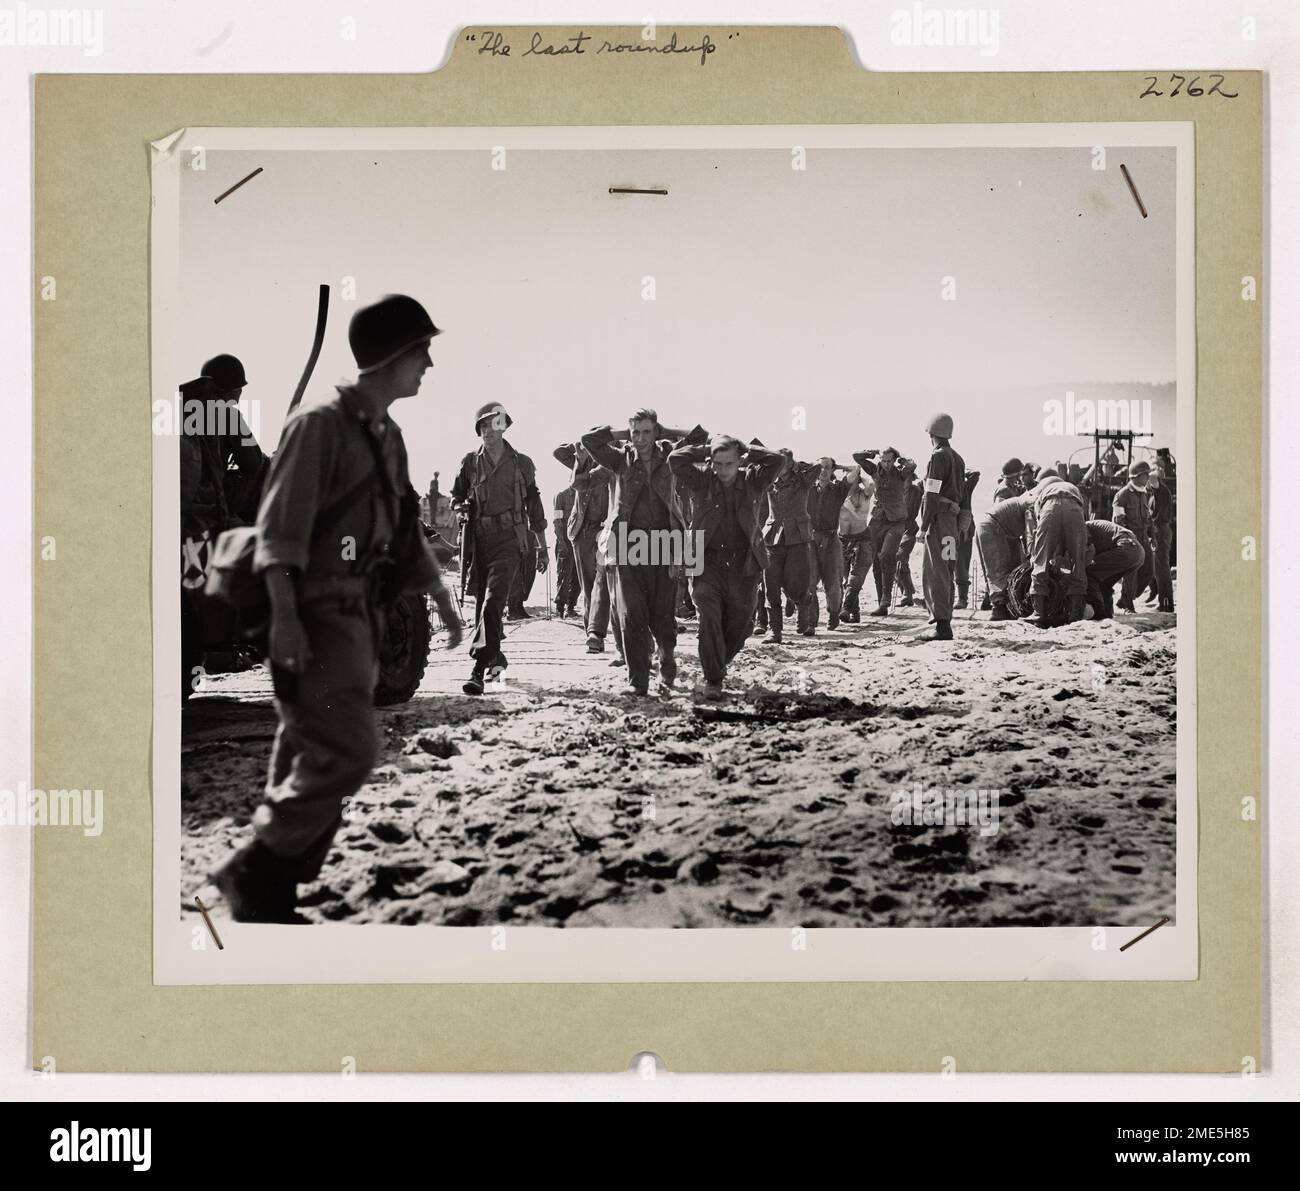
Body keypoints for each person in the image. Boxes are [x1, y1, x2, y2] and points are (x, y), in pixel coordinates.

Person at [212, 294, 460, 922]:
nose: (429, 363)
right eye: (421, 350)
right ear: (393, 357)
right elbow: (279, 530)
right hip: (314, 615)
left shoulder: (386, 434)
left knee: (303, 753)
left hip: (361, 618)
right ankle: (254, 868)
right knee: (349, 753)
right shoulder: (318, 424)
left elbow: (404, 530)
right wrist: (287, 620)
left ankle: (270, 892)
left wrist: (439, 597)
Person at [669, 435, 786, 700]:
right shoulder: (702, 481)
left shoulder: (754, 481)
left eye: (729, 464)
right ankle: (713, 679)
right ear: (711, 462)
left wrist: (747, 448)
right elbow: (675, 459)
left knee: (743, 624)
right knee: (708, 614)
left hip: (744, 565)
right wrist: (707, 447)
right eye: (718, 464)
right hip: (706, 563)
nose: (723, 471)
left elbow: (777, 459)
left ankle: (717, 664)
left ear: (739, 461)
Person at [582, 410, 683, 697]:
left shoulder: (672, 458)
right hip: (625, 544)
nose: (640, 439)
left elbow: (701, 438)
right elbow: (589, 439)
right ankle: (638, 681)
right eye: (635, 433)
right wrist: (621, 434)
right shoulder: (620, 459)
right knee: (631, 613)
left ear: (657, 433)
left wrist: (666, 432)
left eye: (647, 432)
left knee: (663, 615)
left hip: (665, 543)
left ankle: (667, 655)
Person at [452, 401, 548, 695]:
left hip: (510, 539)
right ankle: (496, 657)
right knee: (484, 606)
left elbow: (535, 506)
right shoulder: (470, 462)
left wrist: (542, 547)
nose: (488, 431)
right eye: (483, 426)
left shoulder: (521, 463)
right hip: (480, 543)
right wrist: (461, 509)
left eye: (495, 424)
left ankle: (478, 669)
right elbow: (456, 496)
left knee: (493, 602)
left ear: (504, 427)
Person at [917, 414, 968, 641]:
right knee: (947, 567)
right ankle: (945, 620)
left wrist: (923, 525)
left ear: (932, 434)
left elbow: (931, 493)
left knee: (936, 570)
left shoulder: (937, 457)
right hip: (952, 524)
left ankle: (942, 626)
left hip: (939, 521)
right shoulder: (958, 458)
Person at [760, 449, 816, 641]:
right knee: (771, 585)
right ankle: (775, 630)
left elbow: (817, 467)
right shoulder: (769, 479)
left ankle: (804, 607)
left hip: (797, 538)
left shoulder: (802, 480)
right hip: (773, 537)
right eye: (778, 463)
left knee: (795, 584)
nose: (780, 467)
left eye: (784, 463)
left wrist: (797, 465)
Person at [852, 446, 912, 617]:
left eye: (889, 461)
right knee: (876, 561)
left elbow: (912, 465)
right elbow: (856, 456)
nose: (886, 464)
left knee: (886, 555)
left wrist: (902, 459)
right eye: (883, 461)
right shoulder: (874, 469)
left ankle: (887, 596)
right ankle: (882, 604)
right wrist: (871, 453)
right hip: (878, 520)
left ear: (894, 460)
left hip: (896, 521)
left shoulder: (901, 472)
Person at [1025, 465, 1088, 625]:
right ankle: (1075, 615)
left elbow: (1038, 523)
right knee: (1078, 564)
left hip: (1049, 506)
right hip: (1075, 509)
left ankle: (1039, 614)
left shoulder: (1042, 491)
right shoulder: (1072, 487)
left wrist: (1045, 554)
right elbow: (1083, 518)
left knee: (1041, 561)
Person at [804, 457, 853, 631]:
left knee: (833, 583)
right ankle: (811, 623)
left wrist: (839, 466)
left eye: (827, 468)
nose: (823, 471)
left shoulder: (838, 489)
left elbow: (856, 471)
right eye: (820, 468)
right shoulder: (807, 488)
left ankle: (833, 615)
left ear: (832, 471)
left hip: (831, 540)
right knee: (809, 582)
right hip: (810, 540)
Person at [974, 491, 1035, 621]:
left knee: (1008, 569)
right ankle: (998, 609)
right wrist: (1031, 556)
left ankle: (1006, 606)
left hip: (998, 529)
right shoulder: (1031, 504)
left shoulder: (1025, 501)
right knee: (998, 570)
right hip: (993, 528)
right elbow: (1030, 535)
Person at [1111, 460, 1156, 612]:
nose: (1148, 478)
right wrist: (1127, 540)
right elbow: (1118, 521)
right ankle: (1128, 604)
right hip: (1131, 538)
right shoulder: (1122, 495)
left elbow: (1148, 518)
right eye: (1145, 475)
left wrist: (1152, 535)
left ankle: (1125, 598)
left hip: (1143, 536)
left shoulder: (1143, 494)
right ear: (1136, 476)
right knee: (1131, 572)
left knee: (1149, 570)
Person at [1085, 519, 1146, 620]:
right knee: (1104, 582)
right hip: (1138, 552)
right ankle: (1107, 614)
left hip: (1126, 549)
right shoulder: (1098, 528)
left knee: (1089, 573)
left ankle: (1099, 614)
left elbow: (1089, 550)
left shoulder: (1084, 526)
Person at [837, 467, 874, 621]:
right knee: (845, 579)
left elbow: (871, 485)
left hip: (861, 538)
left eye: (853, 477)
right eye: (847, 477)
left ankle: (846, 609)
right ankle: (855, 612)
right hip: (843, 539)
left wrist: (858, 474)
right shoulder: (839, 496)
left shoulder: (864, 495)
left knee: (855, 577)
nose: (849, 479)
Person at [893, 460, 923, 606]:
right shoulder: (894, 491)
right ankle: (906, 593)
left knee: (900, 556)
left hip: (909, 529)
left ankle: (907, 592)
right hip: (893, 529)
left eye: (909, 476)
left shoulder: (917, 490)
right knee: (889, 559)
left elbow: (931, 483)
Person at [954, 469, 982, 609]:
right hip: (947, 528)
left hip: (964, 530)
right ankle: (949, 596)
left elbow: (975, 474)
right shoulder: (946, 486)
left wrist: (960, 473)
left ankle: (962, 599)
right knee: (946, 563)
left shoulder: (964, 487)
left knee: (961, 564)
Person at [1148, 467, 1175, 612]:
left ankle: (1166, 604)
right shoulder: (1159, 493)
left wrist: (1144, 471)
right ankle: (1163, 601)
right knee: (1159, 568)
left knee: (1162, 569)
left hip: (1161, 531)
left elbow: (1152, 476)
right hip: (1160, 531)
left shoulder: (1161, 491)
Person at [552, 483, 579, 617]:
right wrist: (562, 542)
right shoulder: (561, 496)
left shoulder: (583, 496)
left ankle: (571, 607)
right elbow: (557, 521)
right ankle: (559, 607)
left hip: (579, 542)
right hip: (565, 542)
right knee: (564, 575)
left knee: (578, 577)